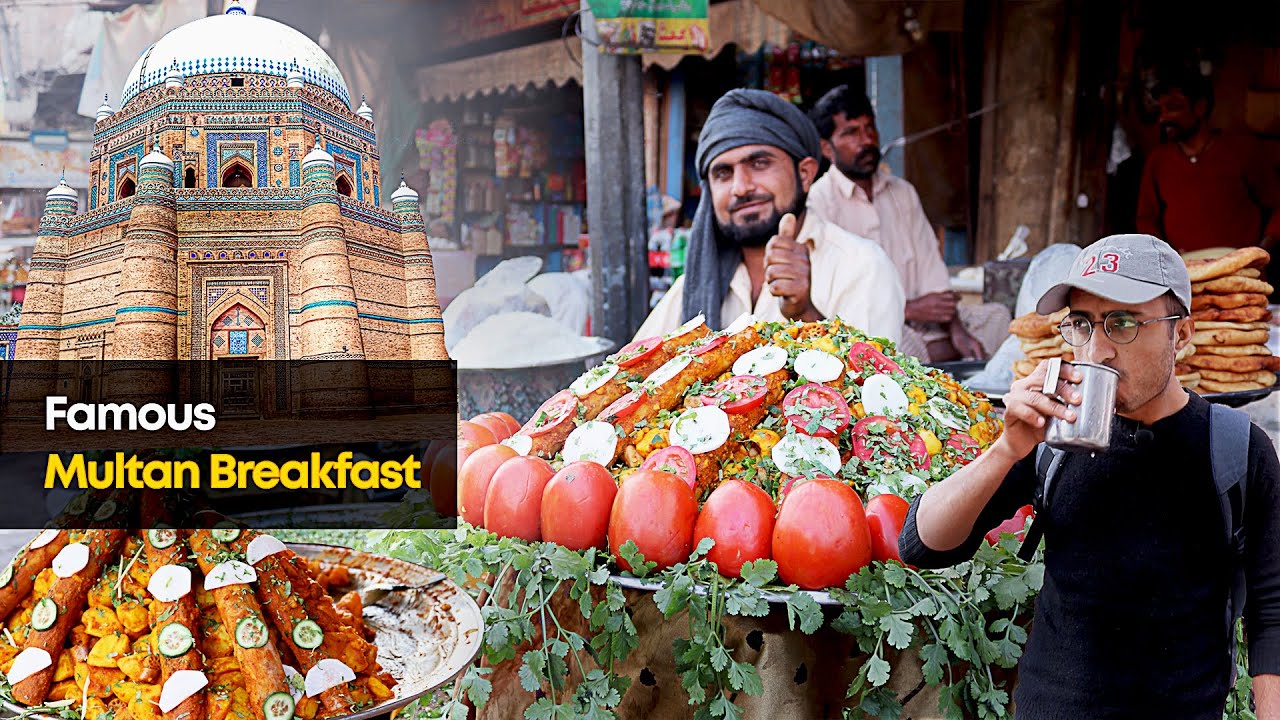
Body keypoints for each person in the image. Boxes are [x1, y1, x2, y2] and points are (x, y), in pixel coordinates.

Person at [900, 233, 1280, 719]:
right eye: (1082, 324)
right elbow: (924, 546)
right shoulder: (1052, 438)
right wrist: (1006, 447)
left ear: (1180, 334)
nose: (1097, 350)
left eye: (1122, 323)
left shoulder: (1235, 449)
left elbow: (1270, 615)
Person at [633, 88, 904, 341]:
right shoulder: (696, 281)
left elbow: (874, 386)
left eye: (760, 163)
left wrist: (804, 314)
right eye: (723, 173)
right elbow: (632, 374)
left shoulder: (862, 268)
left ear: (805, 174)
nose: (741, 187)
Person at [806, 85, 1011, 363]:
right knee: (892, 343)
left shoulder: (902, 192)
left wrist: (956, 329)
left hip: (929, 325)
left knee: (998, 317)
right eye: (851, 133)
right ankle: (941, 361)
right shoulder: (817, 204)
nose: (867, 140)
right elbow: (828, 304)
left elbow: (932, 270)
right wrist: (908, 309)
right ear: (826, 148)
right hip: (875, 326)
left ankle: (942, 358)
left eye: (870, 128)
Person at [1137, 71, 1280, 258]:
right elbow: (1146, 218)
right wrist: (1164, 258)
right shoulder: (1158, 160)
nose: (1163, 118)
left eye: (1173, 107)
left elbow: (1277, 206)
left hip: (1238, 270)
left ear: (1200, 107)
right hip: (1184, 273)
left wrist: (1261, 251)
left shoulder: (1242, 150)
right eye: (1160, 110)